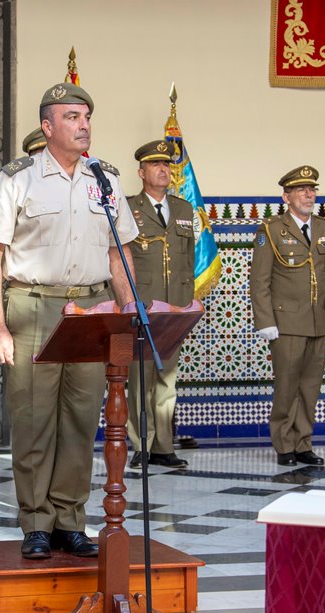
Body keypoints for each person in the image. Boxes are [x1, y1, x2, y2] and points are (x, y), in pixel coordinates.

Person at [0, 83, 137, 560]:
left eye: (86, 116)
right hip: (33, 307)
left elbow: (118, 252)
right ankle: (36, 523)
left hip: (90, 310)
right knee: (33, 418)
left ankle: (69, 519)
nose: (83, 124)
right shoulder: (18, 178)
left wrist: (127, 314)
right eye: (72, 117)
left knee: (80, 418)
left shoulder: (103, 179)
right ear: (48, 126)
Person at [249, 166, 325, 467]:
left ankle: (304, 442)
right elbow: (259, 280)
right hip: (286, 323)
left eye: (312, 189)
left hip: (319, 321)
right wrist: (265, 320)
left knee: (309, 387)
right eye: (301, 189)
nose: (308, 194)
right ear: (286, 196)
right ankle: (284, 444)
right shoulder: (271, 229)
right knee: (288, 386)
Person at [124, 139, 194, 470]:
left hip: (175, 310)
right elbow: (122, 261)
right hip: (144, 309)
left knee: (168, 380)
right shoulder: (128, 208)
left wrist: (187, 304)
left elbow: (188, 260)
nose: (163, 169)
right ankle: (142, 443)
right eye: (155, 165)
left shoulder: (183, 209)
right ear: (141, 172)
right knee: (141, 379)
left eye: (166, 165)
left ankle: (164, 445)